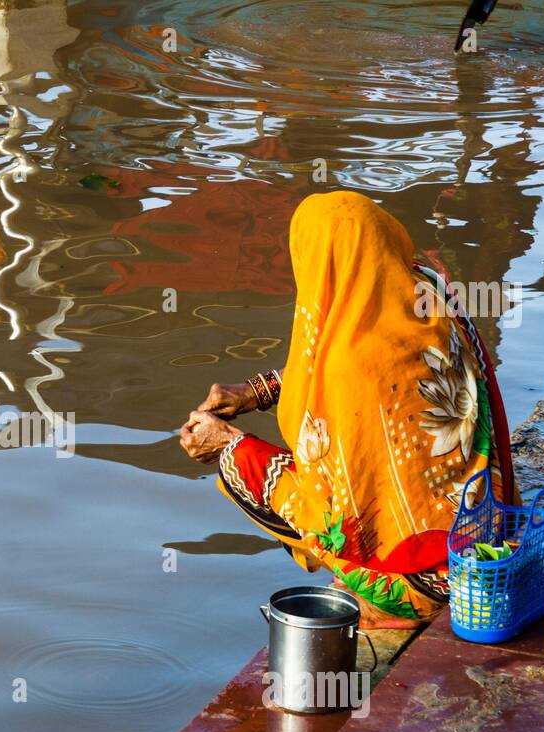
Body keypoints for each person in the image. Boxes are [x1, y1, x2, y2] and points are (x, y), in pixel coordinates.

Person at [179, 191, 517, 627]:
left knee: (243, 468)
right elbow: (373, 371)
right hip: (484, 541)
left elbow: (333, 507)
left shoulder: (349, 364)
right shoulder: (431, 298)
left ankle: (381, 591)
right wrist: (256, 391)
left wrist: (230, 443)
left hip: (426, 582)